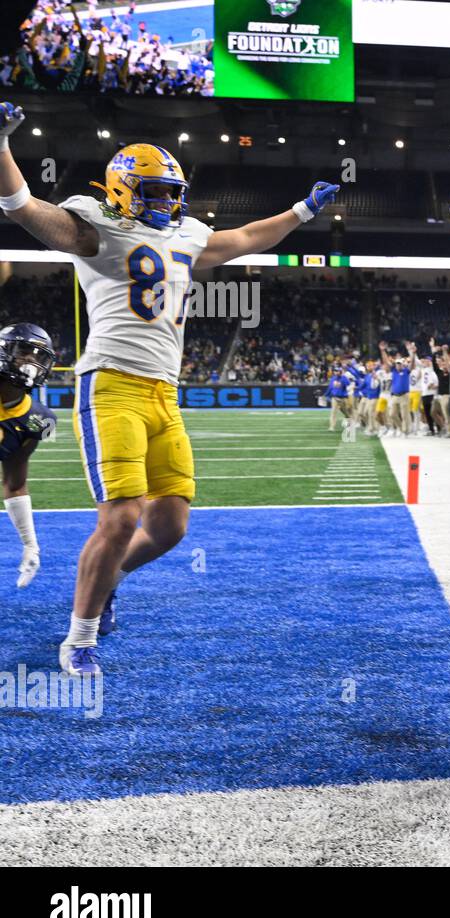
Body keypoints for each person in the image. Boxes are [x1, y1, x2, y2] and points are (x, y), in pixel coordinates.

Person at [0, 100, 339, 675]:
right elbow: (22, 206)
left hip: (164, 392)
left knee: (171, 524)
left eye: (172, 192)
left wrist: (301, 211)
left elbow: (247, 238)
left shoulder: (185, 235)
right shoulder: (96, 226)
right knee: (121, 515)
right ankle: (78, 638)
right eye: (154, 192)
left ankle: (108, 583)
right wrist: (2, 145)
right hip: (111, 385)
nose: (168, 203)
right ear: (123, 189)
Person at [0, 323, 57, 588]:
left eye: (39, 355)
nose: (31, 360)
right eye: (24, 350)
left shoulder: (40, 420)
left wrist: (30, 544)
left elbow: (15, 482)